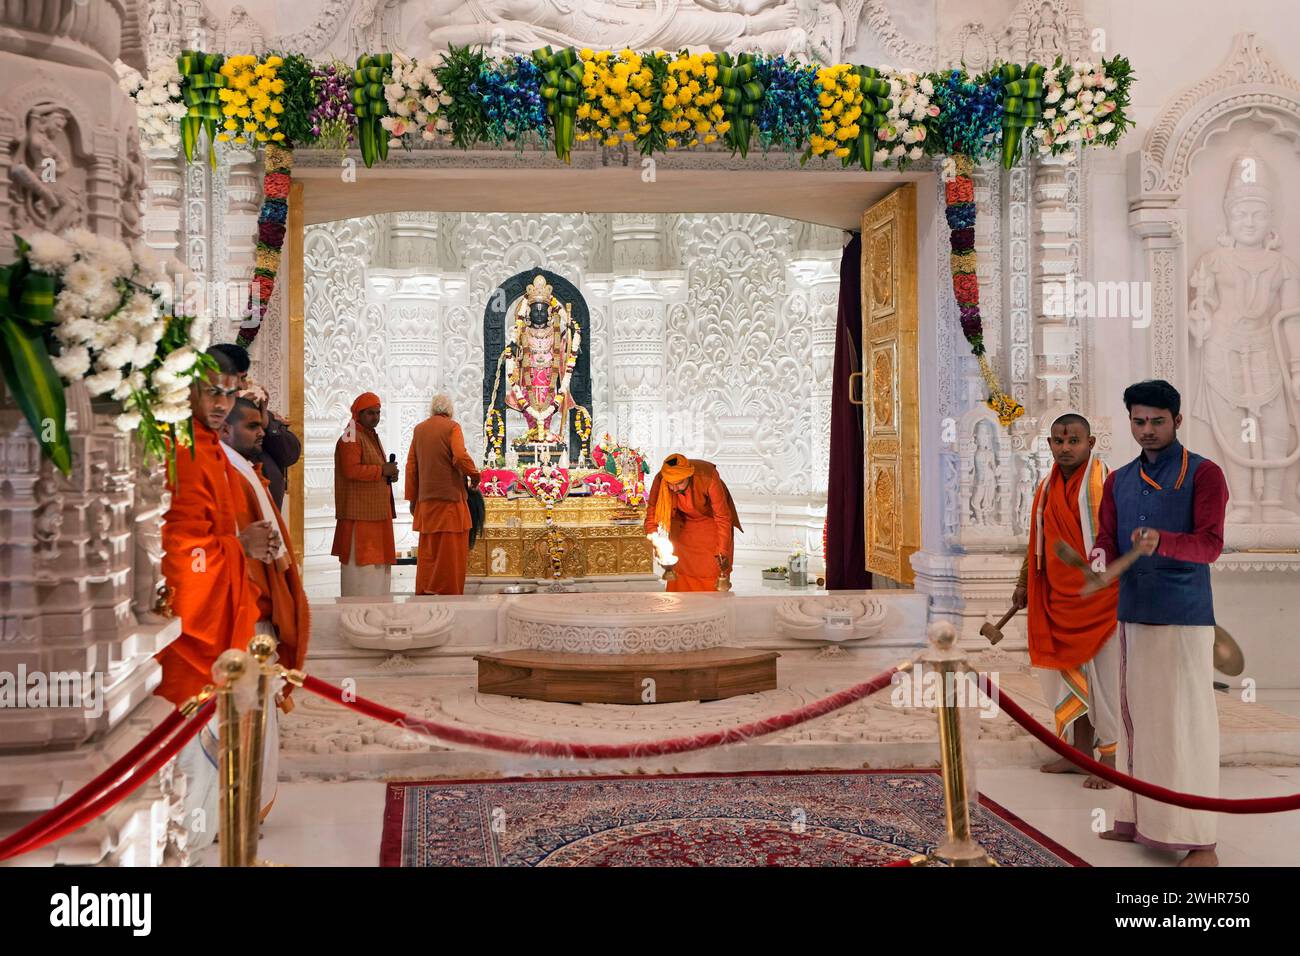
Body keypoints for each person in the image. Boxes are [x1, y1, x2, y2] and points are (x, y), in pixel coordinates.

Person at [1095, 380, 1229, 867]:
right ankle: (1137, 820)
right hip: (1133, 610)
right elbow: (1106, 537)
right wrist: (1098, 557)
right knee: (1136, 721)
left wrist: (1163, 542)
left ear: (1176, 419)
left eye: (1157, 421)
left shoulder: (1205, 474)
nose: (1147, 430)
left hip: (1183, 616)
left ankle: (1199, 840)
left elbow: (1210, 544)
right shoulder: (1119, 479)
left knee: (1184, 725)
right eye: (1138, 421)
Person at [154, 345, 276, 849]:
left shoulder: (209, 447)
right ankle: (188, 848)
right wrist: (238, 546)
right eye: (213, 391)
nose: (223, 403)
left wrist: (246, 546)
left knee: (218, 767)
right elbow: (179, 552)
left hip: (224, 619)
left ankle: (206, 843)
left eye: (231, 393)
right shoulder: (180, 448)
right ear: (187, 388)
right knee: (190, 776)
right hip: (193, 635)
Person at [1012, 414, 1119, 789]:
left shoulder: (1108, 483)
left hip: (1100, 601)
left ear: (1090, 443)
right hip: (1058, 597)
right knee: (1069, 677)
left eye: (1073, 440)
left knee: (1104, 680)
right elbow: (1037, 541)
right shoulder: (1046, 487)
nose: (1065, 448)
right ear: (1049, 445)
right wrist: (1024, 581)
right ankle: (1080, 753)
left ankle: (1109, 760)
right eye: (1058, 441)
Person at [219, 395, 312, 820]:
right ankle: (236, 814)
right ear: (224, 428)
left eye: (262, 425)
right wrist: (240, 548)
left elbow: (290, 451)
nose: (260, 433)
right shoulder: (224, 472)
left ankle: (244, 812)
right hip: (240, 618)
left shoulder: (243, 467)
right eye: (252, 426)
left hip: (256, 616)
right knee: (244, 723)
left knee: (257, 723)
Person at [209, 343, 301, 510]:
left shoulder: (258, 411)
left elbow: (290, 455)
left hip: (267, 509)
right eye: (239, 379)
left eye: (244, 378)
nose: (243, 386)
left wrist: (266, 421)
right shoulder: (204, 419)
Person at [405, 394, 481, 595]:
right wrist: (474, 474)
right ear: (450, 411)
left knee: (428, 552)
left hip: (426, 503)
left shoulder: (419, 430)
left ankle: (426, 590)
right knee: (450, 553)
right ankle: (447, 593)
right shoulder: (452, 427)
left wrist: (413, 500)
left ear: (431, 410)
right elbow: (459, 455)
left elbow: (411, 467)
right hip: (450, 505)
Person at [643, 454, 742, 592]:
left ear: (689, 476)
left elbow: (722, 517)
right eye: (670, 484)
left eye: (679, 483)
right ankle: (680, 611)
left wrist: (722, 551)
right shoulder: (662, 478)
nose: (674, 489)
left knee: (712, 568)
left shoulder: (708, 476)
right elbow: (652, 511)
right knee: (680, 568)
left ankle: (711, 611)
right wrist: (653, 538)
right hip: (682, 524)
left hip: (710, 523)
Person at [332, 392, 397, 596]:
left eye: (378, 413)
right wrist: (381, 471)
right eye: (370, 413)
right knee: (362, 574)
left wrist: (388, 474)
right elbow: (351, 470)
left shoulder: (367, 434)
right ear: (358, 414)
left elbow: (371, 467)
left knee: (377, 574)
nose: (375, 417)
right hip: (360, 516)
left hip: (374, 513)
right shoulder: (351, 435)